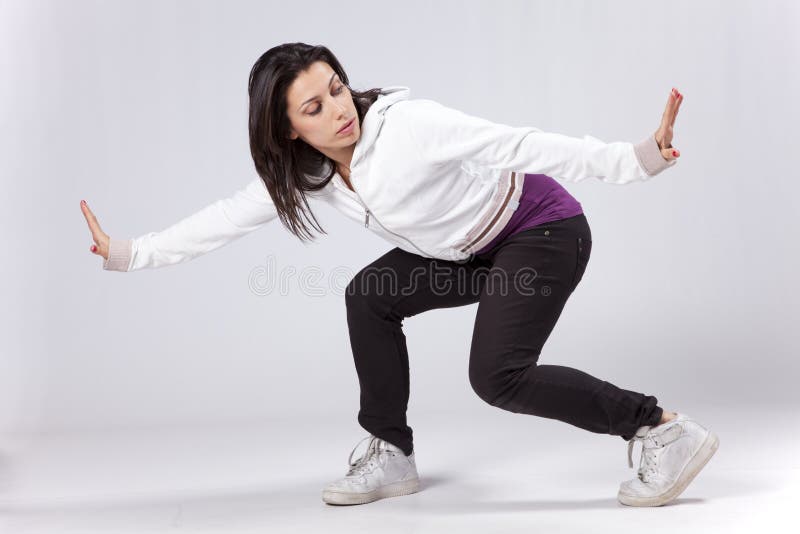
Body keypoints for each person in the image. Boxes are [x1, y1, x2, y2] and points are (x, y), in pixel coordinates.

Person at [80, 42, 718, 508]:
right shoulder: (309, 177)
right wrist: (128, 253)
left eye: (336, 87)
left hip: (540, 231)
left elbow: (517, 143)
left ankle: (660, 428)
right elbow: (224, 218)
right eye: (314, 106)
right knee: (369, 298)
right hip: (465, 253)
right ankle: (391, 454)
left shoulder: (406, 126)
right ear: (287, 129)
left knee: (498, 377)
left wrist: (636, 159)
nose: (337, 109)